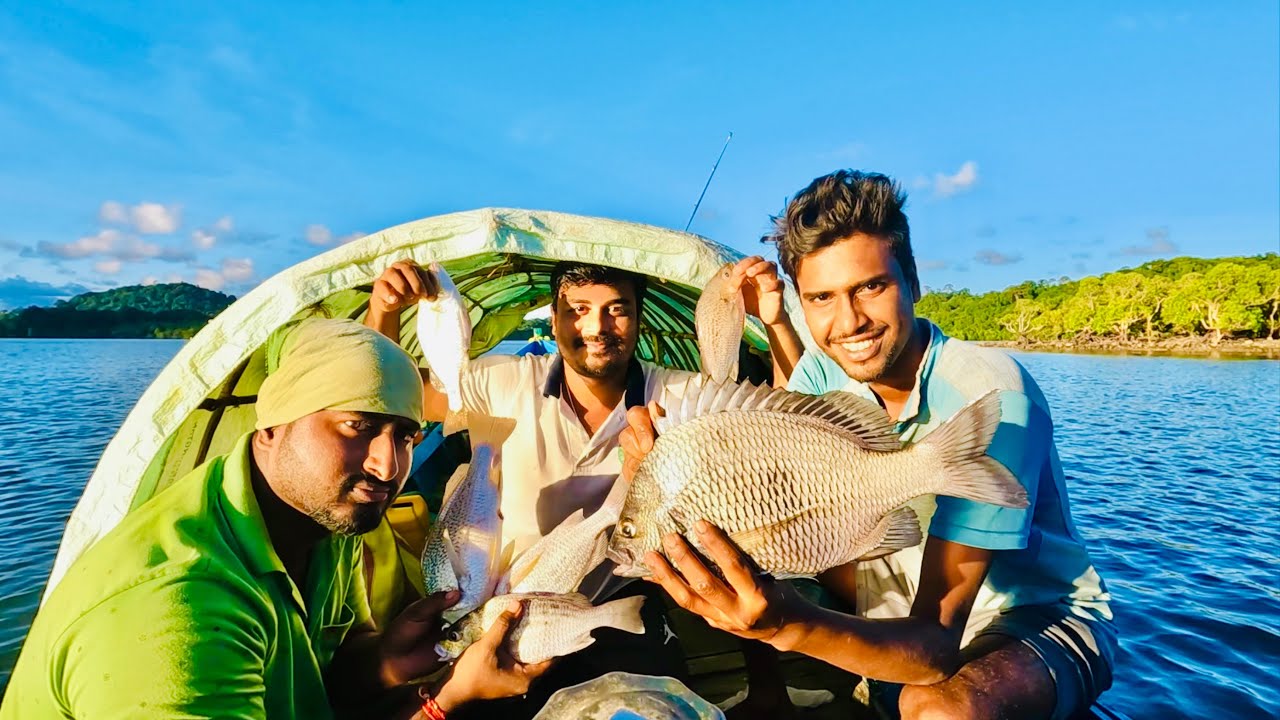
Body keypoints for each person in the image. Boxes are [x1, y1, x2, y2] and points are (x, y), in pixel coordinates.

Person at [622, 170, 1116, 720]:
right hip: (886, 593)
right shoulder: (821, 367)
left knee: (940, 708)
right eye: (822, 298)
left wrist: (786, 622)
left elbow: (935, 648)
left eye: (870, 287)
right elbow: (779, 436)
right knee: (741, 549)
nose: (849, 320)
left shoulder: (992, 394)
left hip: (1029, 617)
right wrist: (673, 469)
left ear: (913, 282)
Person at [1, 318, 550, 720]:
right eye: (357, 427)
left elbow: (324, 680)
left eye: (405, 436)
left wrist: (385, 659)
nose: (388, 467)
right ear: (272, 427)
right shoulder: (176, 613)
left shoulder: (322, 521)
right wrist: (446, 700)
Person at [364, 259, 798, 716]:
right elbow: (390, 395)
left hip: (616, 600)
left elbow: (781, 423)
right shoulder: (503, 381)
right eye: (578, 309)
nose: (596, 326)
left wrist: (776, 321)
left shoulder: (677, 395)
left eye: (617, 310)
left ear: (638, 321)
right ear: (553, 320)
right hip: (498, 606)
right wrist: (385, 311)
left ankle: (769, 687)